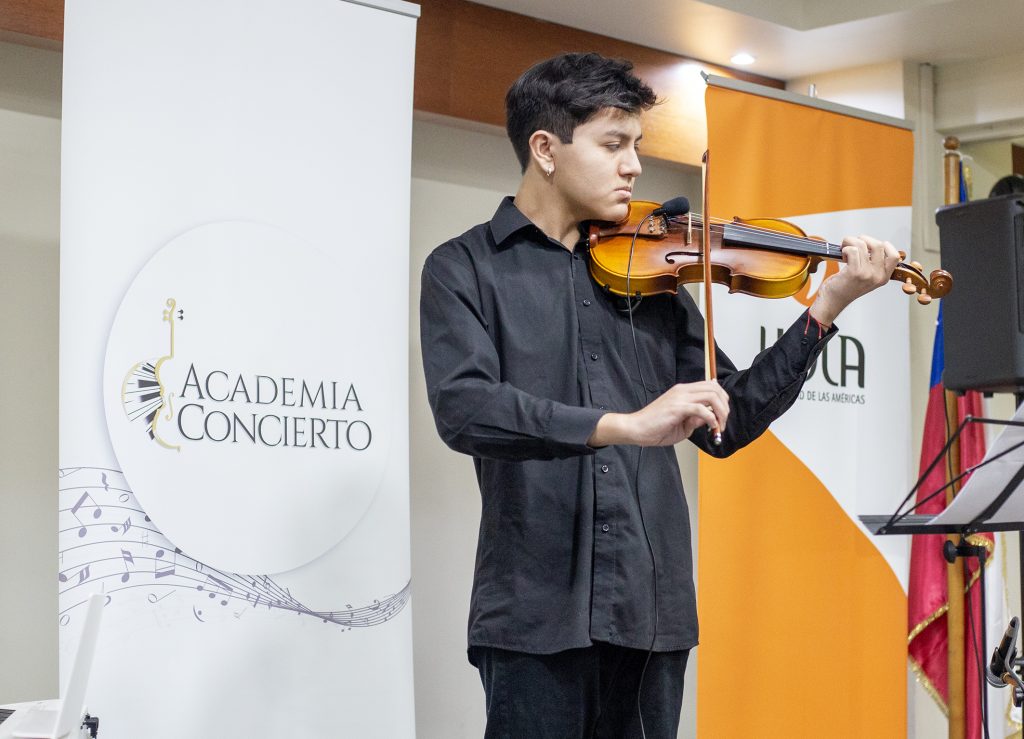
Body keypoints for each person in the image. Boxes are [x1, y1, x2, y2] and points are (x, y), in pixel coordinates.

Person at [419, 52, 899, 738]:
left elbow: (727, 422)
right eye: (614, 144)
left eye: (638, 146)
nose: (634, 166)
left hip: (650, 613)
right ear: (546, 149)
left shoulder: (650, 277)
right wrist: (623, 423)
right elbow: (465, 408)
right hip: (533, 615)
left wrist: (826, 306)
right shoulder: (463, 268)